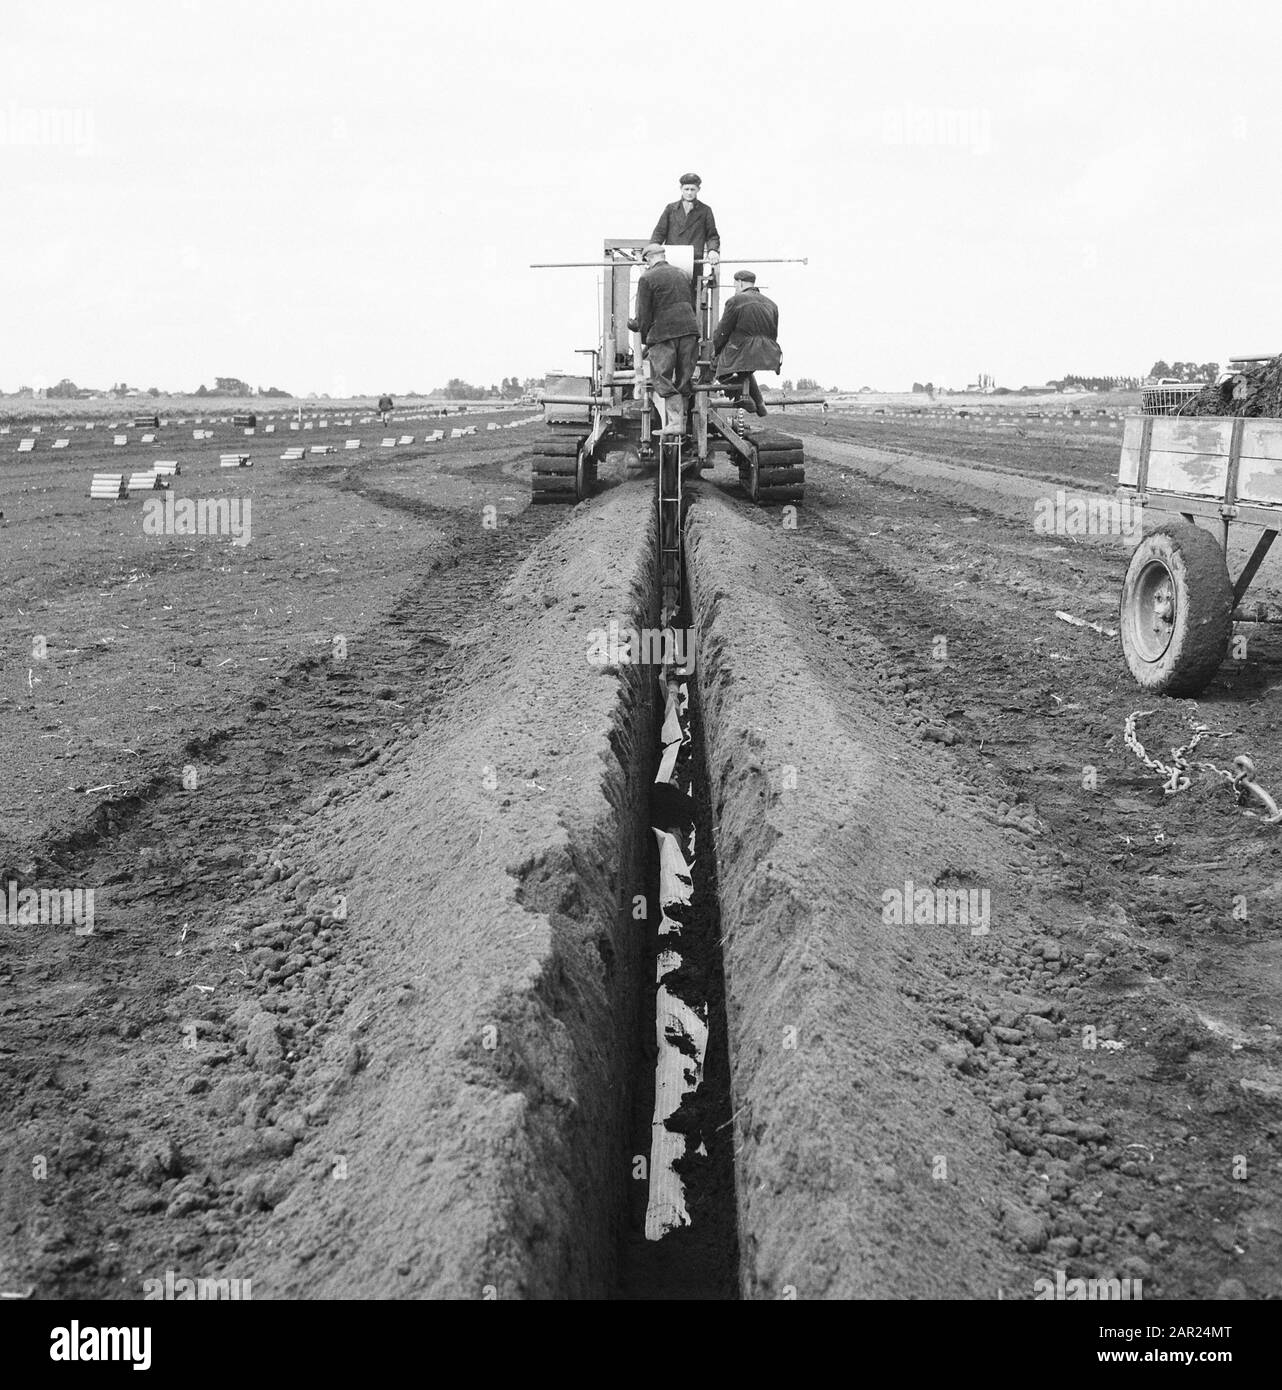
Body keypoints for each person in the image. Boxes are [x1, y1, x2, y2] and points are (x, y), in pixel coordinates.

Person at [628, 244, 700, 437]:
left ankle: (676, 423)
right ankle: (681, 422)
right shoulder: (682, 274)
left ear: (648, 259)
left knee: (662, 378)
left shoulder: (646, 278)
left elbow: (643, 315)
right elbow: (690, 304)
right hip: (690, 331)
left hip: (664, 334)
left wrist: (643, 335)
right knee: (684, 378)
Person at [713, 270, 781, 418]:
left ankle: (742, 399)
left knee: (719, 368)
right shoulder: (772, 304)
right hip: (768, 352)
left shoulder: (735, 301)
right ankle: (760, 404)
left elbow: (722, 332)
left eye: (735, 286)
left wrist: (716, 349)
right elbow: (774, 333)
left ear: (740, 283)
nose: (735, 289)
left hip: (743, 351)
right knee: (744, 371)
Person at [651, 173, 720, 307]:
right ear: (681, 189)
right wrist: (653, 248)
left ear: (698, 190)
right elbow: (659, 232)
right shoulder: (671, 209)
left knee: (690, 299)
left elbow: (712, 235)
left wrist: (712, 250)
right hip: (672, 261)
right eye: (686, 189)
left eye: (692, 189)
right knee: (668, 296)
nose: (689, 193)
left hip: (693, 262)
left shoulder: (705, 211)